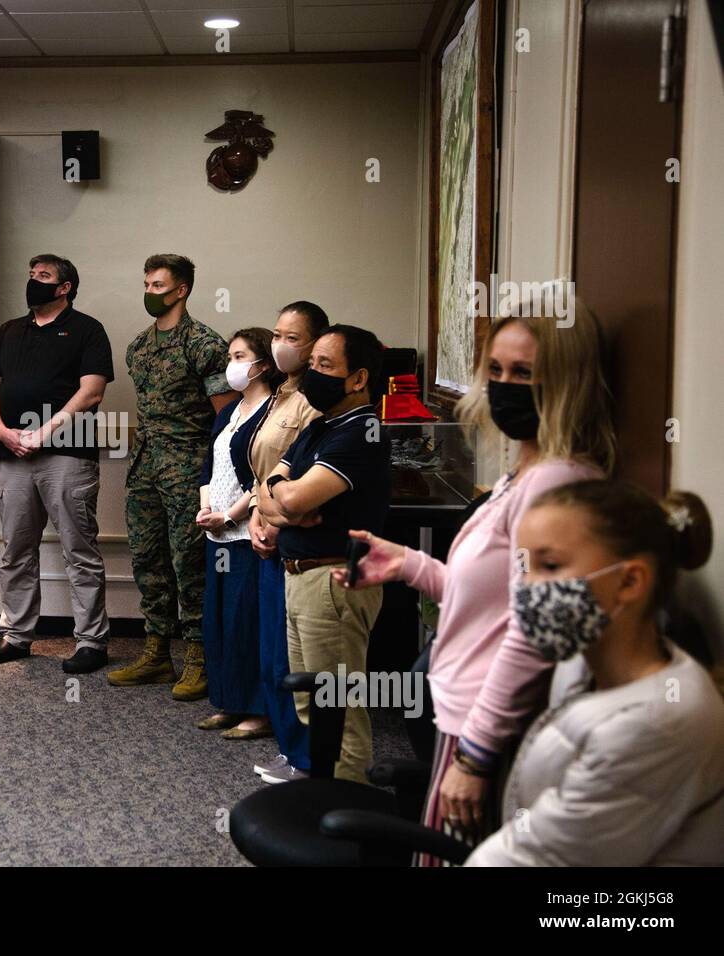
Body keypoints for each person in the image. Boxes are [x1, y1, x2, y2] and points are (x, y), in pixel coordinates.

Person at [334, 303, 615, 859]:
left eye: (525, 374)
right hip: (462, 711)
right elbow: (497, 601)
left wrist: (477, 756)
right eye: (497, 371)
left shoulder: (556, 482)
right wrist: (411, 566)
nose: (505, 387)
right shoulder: (525, 472)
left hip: (485, 729)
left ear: (565, 385)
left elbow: (532, 635)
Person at [465, 481, 724, 866]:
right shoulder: (582, 659)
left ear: (630, 581)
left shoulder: (656, 724)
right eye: (524, 566)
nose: (527, 588)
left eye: (550, 566)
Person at [258, 324, 390, 783]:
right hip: (299, 575)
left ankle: (348, 815)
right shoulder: (321, 423)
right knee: (313, 704)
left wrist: (282, 500)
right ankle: (324, 797)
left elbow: (288, 500)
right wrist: (281, 498)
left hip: (333, 582)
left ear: (358, 378)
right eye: (312, 363)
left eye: (325, 366)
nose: (312, 373)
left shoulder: (362, 431)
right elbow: (272, 491)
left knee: (339, 710)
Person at [0, 255, 115, 674]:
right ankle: (16, 636)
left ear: (65, 287)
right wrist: (2, 431)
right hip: (13, 455)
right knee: (15, 551)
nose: (33, 281)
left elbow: (91, 392)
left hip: (67, 456)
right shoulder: (9, 331)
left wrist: (43, 432)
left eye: (44, 276)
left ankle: (91, 642)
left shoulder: (88, 329)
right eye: (31, 274)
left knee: (80, 550)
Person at [110, 254, 234, 701]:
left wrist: (216, 481)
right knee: (148, 560)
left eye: (158, 285)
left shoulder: (203, 344)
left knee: (190, 564)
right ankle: (157, 653)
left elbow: (227, 420)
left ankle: (198, 659)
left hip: (187, 467)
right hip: (145, 466)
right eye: (146, 282)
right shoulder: (139, 347)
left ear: (181, 290)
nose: (150, 292)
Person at [247, 302, 329, 781]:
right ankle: (290, 748)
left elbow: (300, 483)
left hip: (291, 537)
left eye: (292, 337)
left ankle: (305, 756)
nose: (280, 344)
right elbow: (266, 471)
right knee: (275, 652)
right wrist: (260, 514)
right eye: (276, 333)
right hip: (265, 527)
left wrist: (274, 519)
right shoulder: (280, 393)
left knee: (296, 656)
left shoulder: (314, 403)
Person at [196, 328, 281, 739]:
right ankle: (229, 701)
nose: (232, 365)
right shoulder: (228, 411)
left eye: (240, 356)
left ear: (263, 364)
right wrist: (205, 507)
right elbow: (209, 467)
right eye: (230, 356)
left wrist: (229, 517)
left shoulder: (273, 412)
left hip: (248, 532)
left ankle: (259, 711)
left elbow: (264, 477)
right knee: (220, 622)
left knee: (248, 622)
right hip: (217, 533)